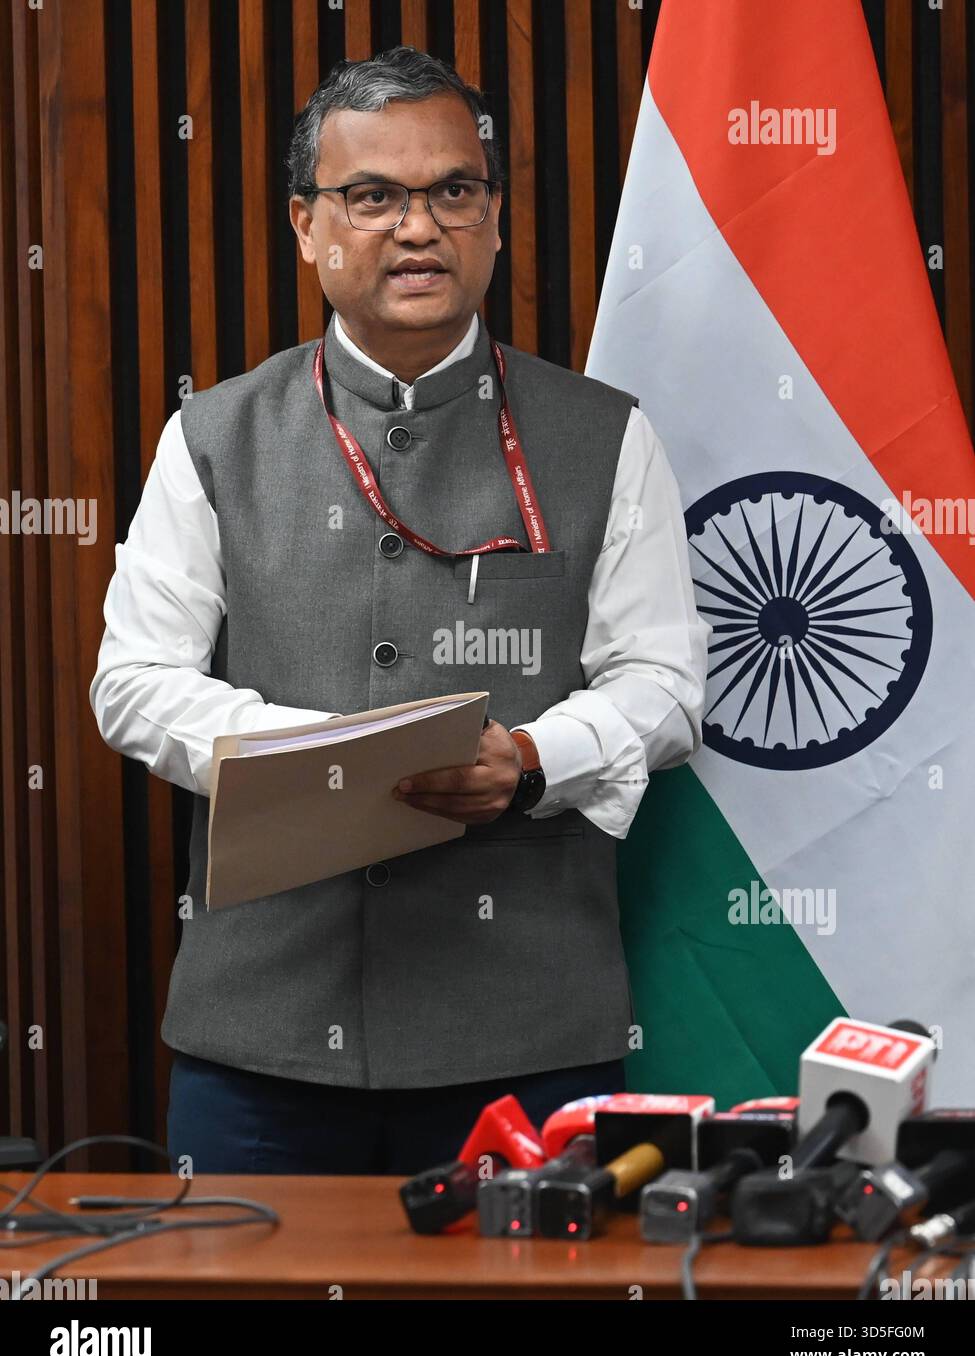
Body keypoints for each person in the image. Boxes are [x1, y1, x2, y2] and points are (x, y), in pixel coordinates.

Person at [89, 46, 710, 1176]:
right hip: (262, 1042)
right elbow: (130, 681)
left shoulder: (605, 435)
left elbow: (665, 688)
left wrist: (530, 754)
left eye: (452, 191)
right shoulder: (213, 436)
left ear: (495, 217)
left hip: (528, 1037)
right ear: (307, 224)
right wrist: (325, 761)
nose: (417, 227)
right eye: (372, 195)